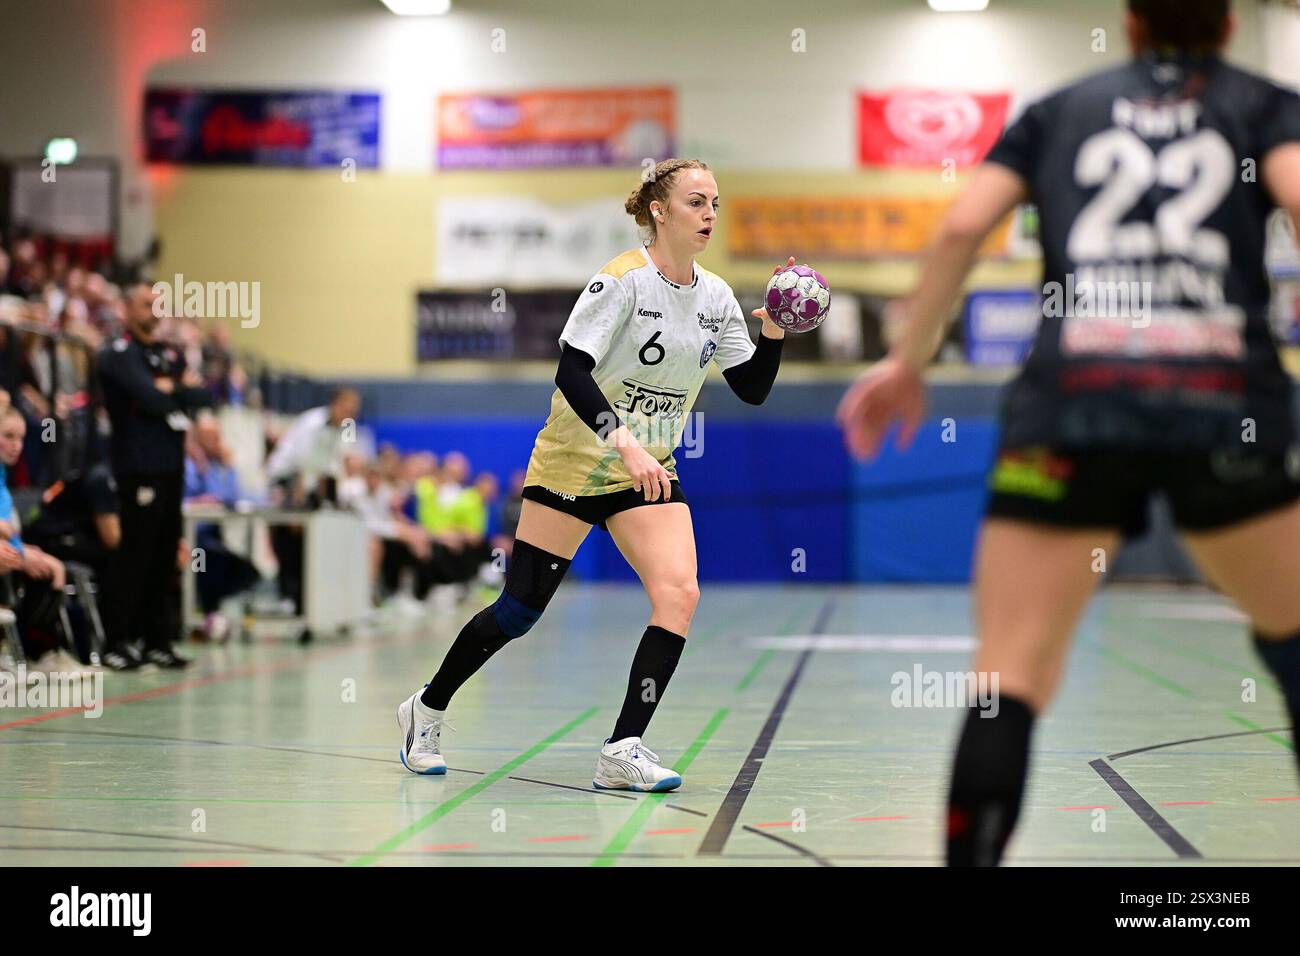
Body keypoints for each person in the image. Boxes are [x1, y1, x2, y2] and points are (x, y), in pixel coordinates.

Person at [836, 0, 1300, 866]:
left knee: (1009, 672)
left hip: (1072, 401)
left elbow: (964, 226)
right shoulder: (1265, 106)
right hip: (1221, 399)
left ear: (1128, 23)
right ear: (1229, 25)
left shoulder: (1059, 110)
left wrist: (908, 362)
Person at [397, 158, 790, 790]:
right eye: (696, 202)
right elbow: (571, 372)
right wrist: (625, 443)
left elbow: (752, 387)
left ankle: (623, 747)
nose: (710, 214)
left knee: (679, 593)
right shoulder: (620, 282)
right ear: (658, 211)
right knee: (520, 611)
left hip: (647, 472)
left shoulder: (716, 297)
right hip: (574, 463)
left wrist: (773, 330)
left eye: (715, 202)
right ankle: (427, 707)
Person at [98, 282, 212, 668]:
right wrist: (170, 391)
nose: (154, 310)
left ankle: (157, 641)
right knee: (135, 553)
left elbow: (203, 396)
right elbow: (148, 398)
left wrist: (171, 388)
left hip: (170, 465)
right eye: (146, 304)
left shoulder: (167, 353)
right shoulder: (118, 353)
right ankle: (116, 641)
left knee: (166, 554)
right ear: (128, 308)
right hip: (137, 466)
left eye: (158, 304)